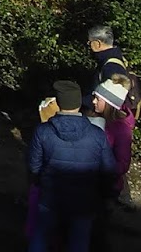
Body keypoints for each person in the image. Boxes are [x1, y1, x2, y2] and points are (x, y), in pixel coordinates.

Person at [27, 78, 118, 252]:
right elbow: (108, 170)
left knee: (41, 238)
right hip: (84, 201)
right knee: (79, 243)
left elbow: (34, 166)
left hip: (51, 198)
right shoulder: (97, 135)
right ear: (79, 103)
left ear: (58, 104)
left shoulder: (43, 131)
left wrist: (40, 182)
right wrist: (106, 196)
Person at [92, 76, 135, 202]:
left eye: (97, 99)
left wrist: (99, 169)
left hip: (106, 186)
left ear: (109, 103)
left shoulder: (121, 130)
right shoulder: (101, 119)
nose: (93, 101)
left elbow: (123, 164)